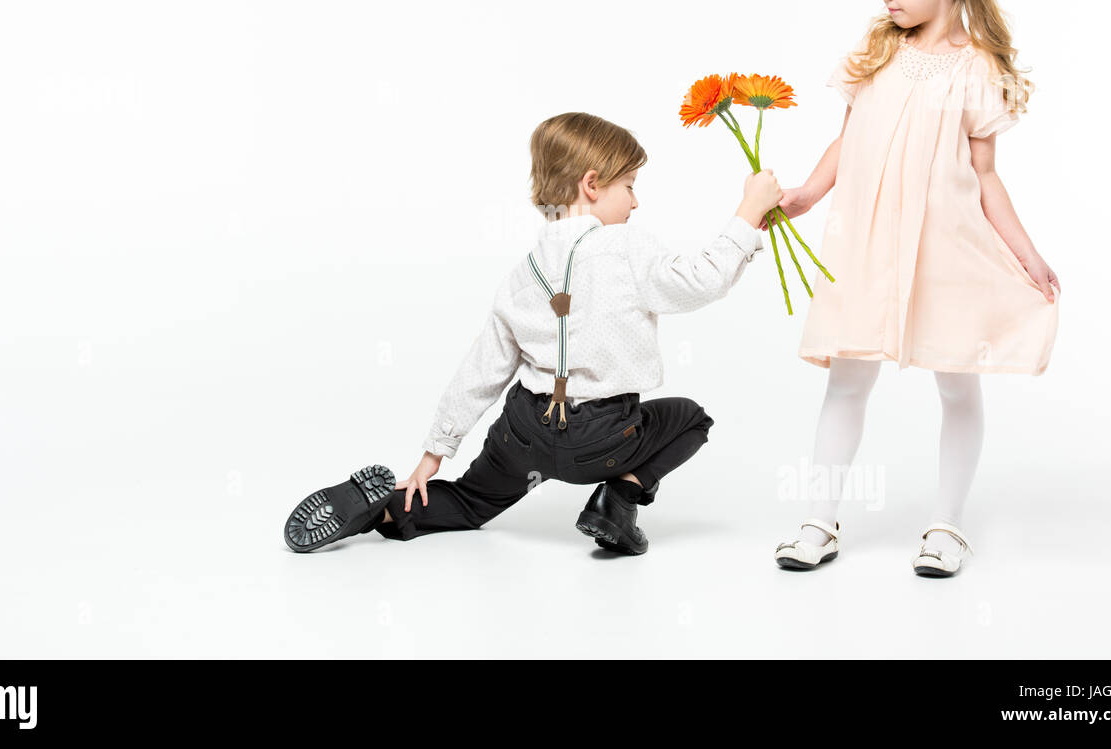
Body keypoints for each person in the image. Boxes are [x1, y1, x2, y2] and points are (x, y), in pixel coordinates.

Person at [284, 111, 782, 555]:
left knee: (470, 502)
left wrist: (434, 451)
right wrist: (748, 213)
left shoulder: (524, 272)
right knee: (690, 418)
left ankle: (387, 509)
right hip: (602, 440)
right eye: (629, 185)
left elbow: (483, 369)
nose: (635, 202)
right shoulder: (624, 245)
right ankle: (617, 502)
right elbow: (699, 281)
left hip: (522, 435)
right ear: (593, 184)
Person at [770, 0, 1060, 577]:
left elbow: (986, 177)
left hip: (945, 251)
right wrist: (808, 195)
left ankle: (947, 525)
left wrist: (1027, 253)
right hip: (866, 246)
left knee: (958, 386)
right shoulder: (875, 53)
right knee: (847, 380)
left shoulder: (976, 68)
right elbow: (848, 140)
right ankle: (819, 517)